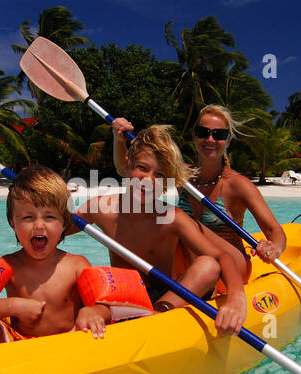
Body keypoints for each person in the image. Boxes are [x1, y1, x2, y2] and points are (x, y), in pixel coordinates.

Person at [83, 124, 247, 333]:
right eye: (142, 168)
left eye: (160, 176)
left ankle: (159, 314)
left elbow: (222, 257)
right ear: (127, 166)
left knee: (208, 265)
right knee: (77, 265)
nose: (149, 180)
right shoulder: (101, 208)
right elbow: (59, 227)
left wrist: (236, 296)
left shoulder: (171, 218)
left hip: (169, 294)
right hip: (125, 294)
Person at [111, 104, 286, 278]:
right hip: (192, 263)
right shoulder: (182, 175)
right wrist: (119, 140)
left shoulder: (237, 184)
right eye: (203, 132)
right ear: (195, 135)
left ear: (228, 140)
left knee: (179, 219)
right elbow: (127, 171)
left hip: (231, 265)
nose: (210, 140)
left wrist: (274, 247)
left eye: (219, 135)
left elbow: (274, 231)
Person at [0, 165, 109, 346]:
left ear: (64, 223)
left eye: (49, 217)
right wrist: (13, 306)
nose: (39, 226)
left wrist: (93, 311)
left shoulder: (77, 265)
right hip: (20, 344)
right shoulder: (7, 265)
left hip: (67, 342)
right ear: (12, 223)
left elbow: (105, 305)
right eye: (28, 217)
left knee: (90, 330)